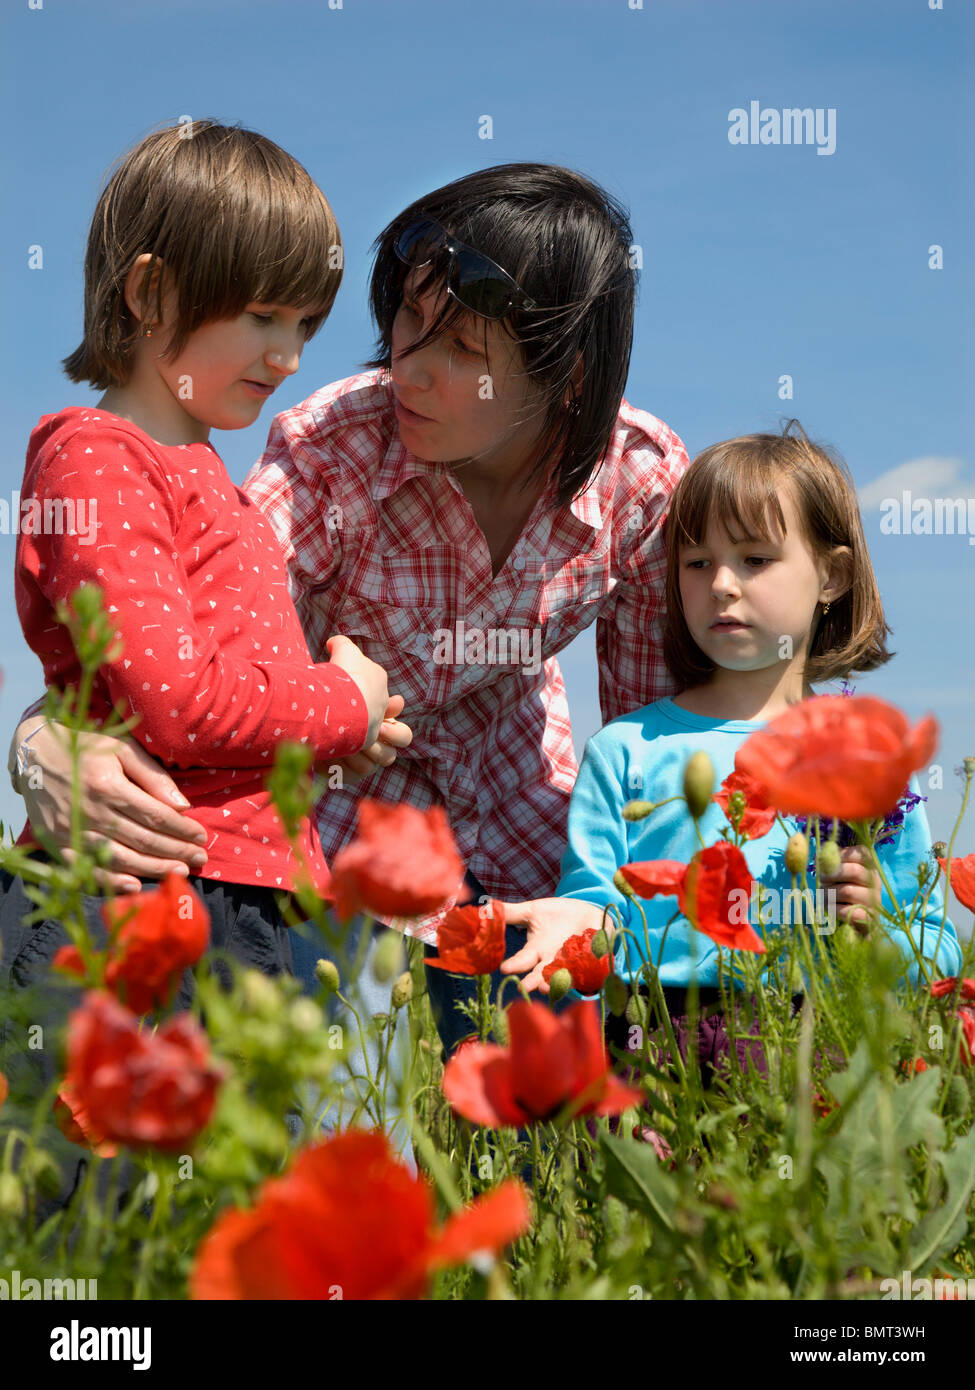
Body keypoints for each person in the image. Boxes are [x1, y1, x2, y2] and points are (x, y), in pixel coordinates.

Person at [8, 162, 690, 1058]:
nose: (411, 368)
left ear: (567, 377)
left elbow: (661, 747)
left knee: (558, 1135)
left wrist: (604, 901)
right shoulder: (328, 451)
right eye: (408, 321)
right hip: (342, 842)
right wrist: (39, 738)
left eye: (463, 354)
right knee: (352, 1128)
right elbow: (177, 655)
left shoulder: (641, 481)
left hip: (527, 814)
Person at [0, 121, 407, 1187]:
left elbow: (209, 704)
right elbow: (176, 702)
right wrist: (342, 704)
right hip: (138, 907)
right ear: (149, 293)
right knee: (101, 1213)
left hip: (245, 903)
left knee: (227, 1222)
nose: (289, 355)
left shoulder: (214, 481)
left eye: (306, 323)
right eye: (264, 315)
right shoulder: (94, 456)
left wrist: (333, 736)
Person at [499, 425, 963, 1082]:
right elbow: (593, 911)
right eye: (695, 562)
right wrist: (574, 929)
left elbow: (936, 952)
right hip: (658, 1045)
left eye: (754, 559)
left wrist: (877, 924)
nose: (720, 584)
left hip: (824, 1048)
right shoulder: (625, 751)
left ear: (830, 575)